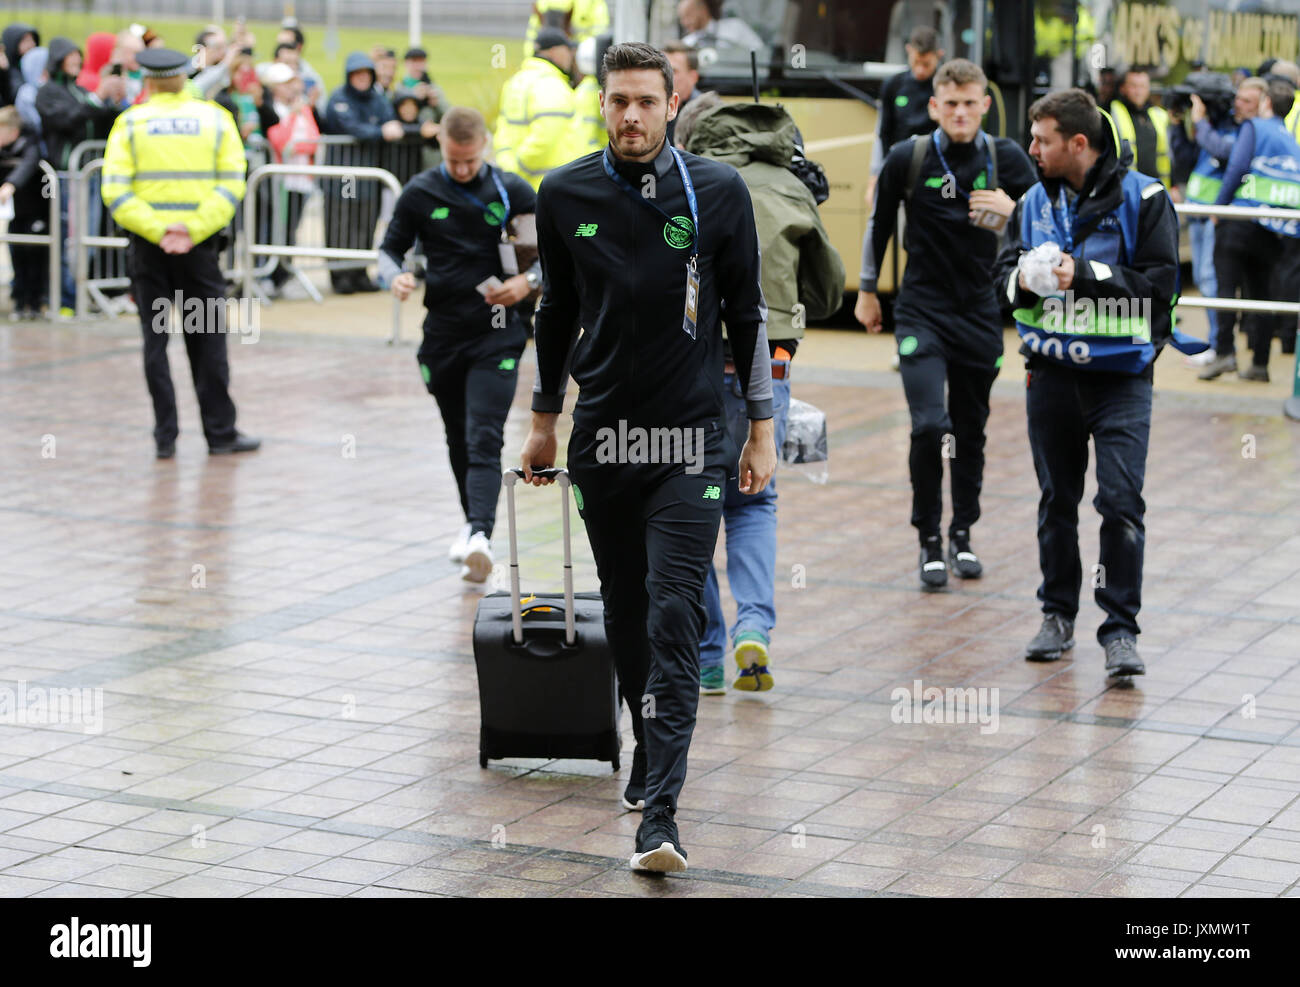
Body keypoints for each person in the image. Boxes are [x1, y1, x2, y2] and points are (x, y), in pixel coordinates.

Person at [521, 42, 775, 873]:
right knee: (625, 610)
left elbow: (746, 310)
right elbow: (556, 311)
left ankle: (660, 815)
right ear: (601, 105)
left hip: (691, 439)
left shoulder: (718, 191)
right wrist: (543, 419)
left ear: (673, 103)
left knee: (675, 610)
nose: (631, 115)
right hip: (604, 439)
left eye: (645, 101)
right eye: (617, 101)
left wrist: (761, 428)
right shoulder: (562, 193)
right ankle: (643, 735)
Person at [994, 88, 1186, 676]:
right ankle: (1056, 616)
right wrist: (1022, 282)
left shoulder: (1145, 199)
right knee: (1057, 502)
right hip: (1050, 376)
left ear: (1079, 144)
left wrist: (1087, 274)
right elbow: (1000, 279)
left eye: (1042, 139)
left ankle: (1120, 631)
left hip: (1122, 382)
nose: (1030, 148)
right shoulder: (1030, 202)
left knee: (1121, 504)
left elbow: (1160, 289)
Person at [679, 97, 845, 694]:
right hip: (767, 365)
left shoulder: (684, 179)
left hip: (691, 366)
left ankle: (706, 655)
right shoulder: (790, 182)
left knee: (687, 506)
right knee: (754, 501)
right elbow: (827, 293)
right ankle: (754, 627)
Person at [855, 58, 1037, 588]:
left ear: (984, 105)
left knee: (970, 430)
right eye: (949, 104)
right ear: (935, 107)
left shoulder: (1004, 159)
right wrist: (867, 292)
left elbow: (1050, 217)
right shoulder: (907, 157)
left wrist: (1014, 209)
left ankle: (963, 535)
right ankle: (928, 541)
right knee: (930, 425)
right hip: (921, 310)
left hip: (980, 312)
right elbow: (879, 222)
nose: (960, 113)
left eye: (969, 103)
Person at [379, 107, 540, 583]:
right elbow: (388, 250)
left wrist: (526, 282)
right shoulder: (421, 191)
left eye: (470, 161)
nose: (463, 169)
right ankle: (474, 526)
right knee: (456, 437)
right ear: (443, 149)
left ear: (485, 146)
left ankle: (480, 535)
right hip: (443, 336)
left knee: (483, 434)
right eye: (454, 161)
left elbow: (549, 259)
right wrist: (396, 277)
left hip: (498, 334)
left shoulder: (513, 192)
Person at [100, 48, 259, 459]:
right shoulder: (216, 120)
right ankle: (220, 434)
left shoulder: (130, 123)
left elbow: (115, 191)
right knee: (207, 342)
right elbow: (231, 184)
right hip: (199, 251)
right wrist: (192, 229)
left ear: (148, 80)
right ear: (184, 77)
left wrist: (159, 230)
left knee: (156, 343)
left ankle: (165, 438)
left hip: (149, 251)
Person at [1199, 77, 1300, 382]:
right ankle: (1259, 363)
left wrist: (1219, 208)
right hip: (1274, 231)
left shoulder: (1255, 128)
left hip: (1241, 222)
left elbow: (1237, 167)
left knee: (1226, 288)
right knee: (1262, 294)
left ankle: (1224, 353)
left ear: (1266, 102)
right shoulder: (1290, 140)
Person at [36, 37, 124, 316]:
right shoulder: (48, 92)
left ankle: (78, 294)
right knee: (67, 238)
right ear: (57, 59)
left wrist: (113, 100)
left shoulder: (78, 90)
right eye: (69, 56)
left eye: (78, 56)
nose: (75, 61)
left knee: (85, 237)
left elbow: (98, 119)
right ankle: (64, 298)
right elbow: (66, 120)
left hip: (87, 175)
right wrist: (98, 96)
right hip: (65, 176)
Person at [1167, 72, 1239, 361]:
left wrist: (1199, 122)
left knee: (1211, 280)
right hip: (1198, 212)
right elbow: (1185, 158)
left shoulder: (1234, 126)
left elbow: (1224, 153)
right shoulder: (1205, 127)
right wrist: (1176, 125)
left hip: (1215, 214)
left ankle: (1219, 346)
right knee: (1200, 276)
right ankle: (1216, 344)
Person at [321, 52, 401, 294]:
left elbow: (390, 121)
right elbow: (353, 128)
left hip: (368, 178)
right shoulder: (339, 98)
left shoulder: (378, 99)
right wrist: (380, 132)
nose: (362, 79)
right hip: (342, 178)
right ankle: (340, 275)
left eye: (366, 74)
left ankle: (360, 273)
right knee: (340, 226)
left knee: (365, 225)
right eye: (357, 75)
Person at [866, 26, 944, 211]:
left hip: (935, 171)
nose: (920, 70)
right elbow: (883, 133)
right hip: (898, 167)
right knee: (877, 222)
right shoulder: (893, 85)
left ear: (939, 56)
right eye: (916, 61)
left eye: (927, 64)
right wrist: (875, 177)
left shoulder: (945, 87)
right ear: (909, 51)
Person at [493, 28, 581, 190]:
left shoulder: (515, 81)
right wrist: (520, 168)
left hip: (519, 186)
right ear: (554, 51)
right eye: (568, 50)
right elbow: (545, 136)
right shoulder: (552, 85)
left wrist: (509, 170)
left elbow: (503, 131)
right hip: (547, 188)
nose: (571, 56)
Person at [261, 62, 318, 298]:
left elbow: (313, 141)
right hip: (280, 181)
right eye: (284, 84)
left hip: (301, 179)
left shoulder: (302, 108)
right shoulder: (274, 110)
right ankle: (270, 275)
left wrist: (298, 146)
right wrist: (293, 120)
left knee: (292, 229)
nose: (290, 88)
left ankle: (283, 275)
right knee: (277, 228)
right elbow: (282, 143)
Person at [0, 105, 48, 319]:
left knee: (35, 255)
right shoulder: (4, 149)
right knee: (16, 254)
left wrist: (10, 184)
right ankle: (19, 302)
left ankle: (36, 303)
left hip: (36, 210)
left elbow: (28, 164)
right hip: (15, 212)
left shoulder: (31, 143)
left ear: (13, 130)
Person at [1110, 68, 1171, 188]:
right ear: (1123, 88)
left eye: (1143, 86)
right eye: (1133, 86)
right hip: (1127, 187)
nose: (1138, 91)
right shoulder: (1115, 112)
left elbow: (1168, 154)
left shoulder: (1157, 115)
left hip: (1155, 186)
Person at [677, 0, 765, 56]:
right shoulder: (686, 43)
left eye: (688, 15)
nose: (684, 23)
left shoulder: (735, 28)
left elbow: (761, 53)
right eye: (682, 18)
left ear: (702, 10)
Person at [661, 41, 700, 147]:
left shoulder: (708, 116)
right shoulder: (649, 108)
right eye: (661, 70)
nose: (664, 77)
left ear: (693, 77)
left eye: (672, 71)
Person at [1, 23, 39, 107]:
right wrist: (4, 72)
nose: (32, 44)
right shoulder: (6, 67)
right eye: (26, 40)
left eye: (33, 40)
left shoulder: (36, 66)